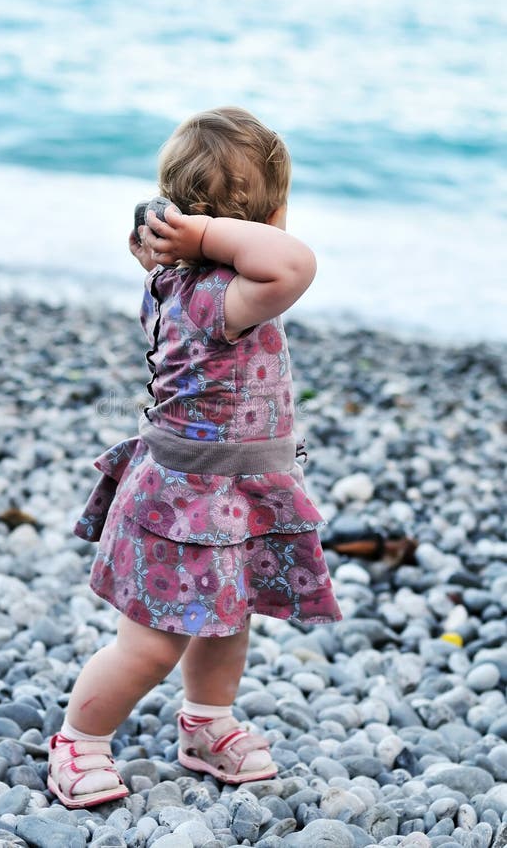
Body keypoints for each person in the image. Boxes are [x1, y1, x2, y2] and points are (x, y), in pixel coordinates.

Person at [47, 107, 342, 809]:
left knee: (225, 618)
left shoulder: (189, 283)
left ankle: (207, 722)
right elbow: (296, 263)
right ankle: (77, 741)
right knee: (150, 646)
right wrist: (207, 235)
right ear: (266, 216)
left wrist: (184, 233)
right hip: (188, 498)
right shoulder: (218, 297)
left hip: (230, 492)